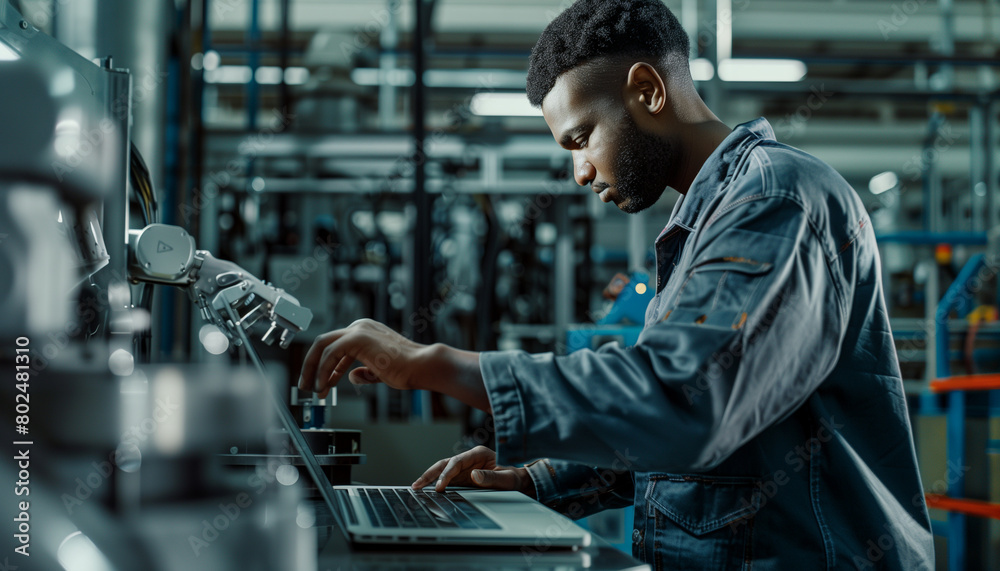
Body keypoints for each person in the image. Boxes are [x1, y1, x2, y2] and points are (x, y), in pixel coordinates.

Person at [299, 0, 934, 568]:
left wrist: (433, 363)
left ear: (648, 91)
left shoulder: (773, 200)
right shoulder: (707, 224)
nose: (578, 171)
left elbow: (689, 403)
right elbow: (687, 436)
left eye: (581, 138)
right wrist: (536, 481)